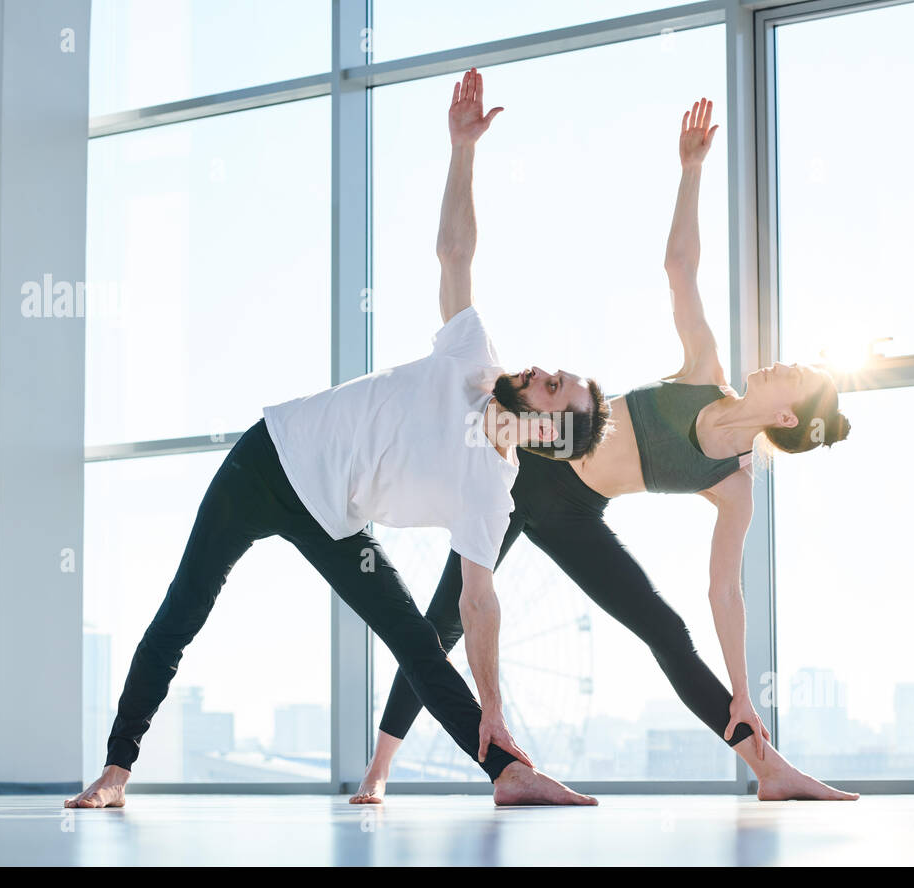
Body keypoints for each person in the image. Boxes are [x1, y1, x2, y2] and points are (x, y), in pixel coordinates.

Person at [67, 68, 612, 810]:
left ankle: (508, 772)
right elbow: (455, 255)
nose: (545, 371)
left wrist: (494, 706)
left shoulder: (491, 491)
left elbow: (478, 605)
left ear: (548, 430)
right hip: (269, 459)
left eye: (557, 389)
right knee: (183, 610)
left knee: (418, 641)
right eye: (556, 373)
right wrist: (462, 151)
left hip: (335, 521)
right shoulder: (472, 358)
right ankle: (115, 773)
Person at [354, 97, 859, 804]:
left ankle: (768, 769)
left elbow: (724, 591)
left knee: (665, 628)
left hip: (574, 513)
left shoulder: (734, 485)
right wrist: (690, 171)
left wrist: (744, 690)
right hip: (520, 468)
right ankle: (378, 771)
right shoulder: (703, 371)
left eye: (793, 376)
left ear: (785, 414)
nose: (778, 364)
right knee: (442, 622)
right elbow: (680, 268)